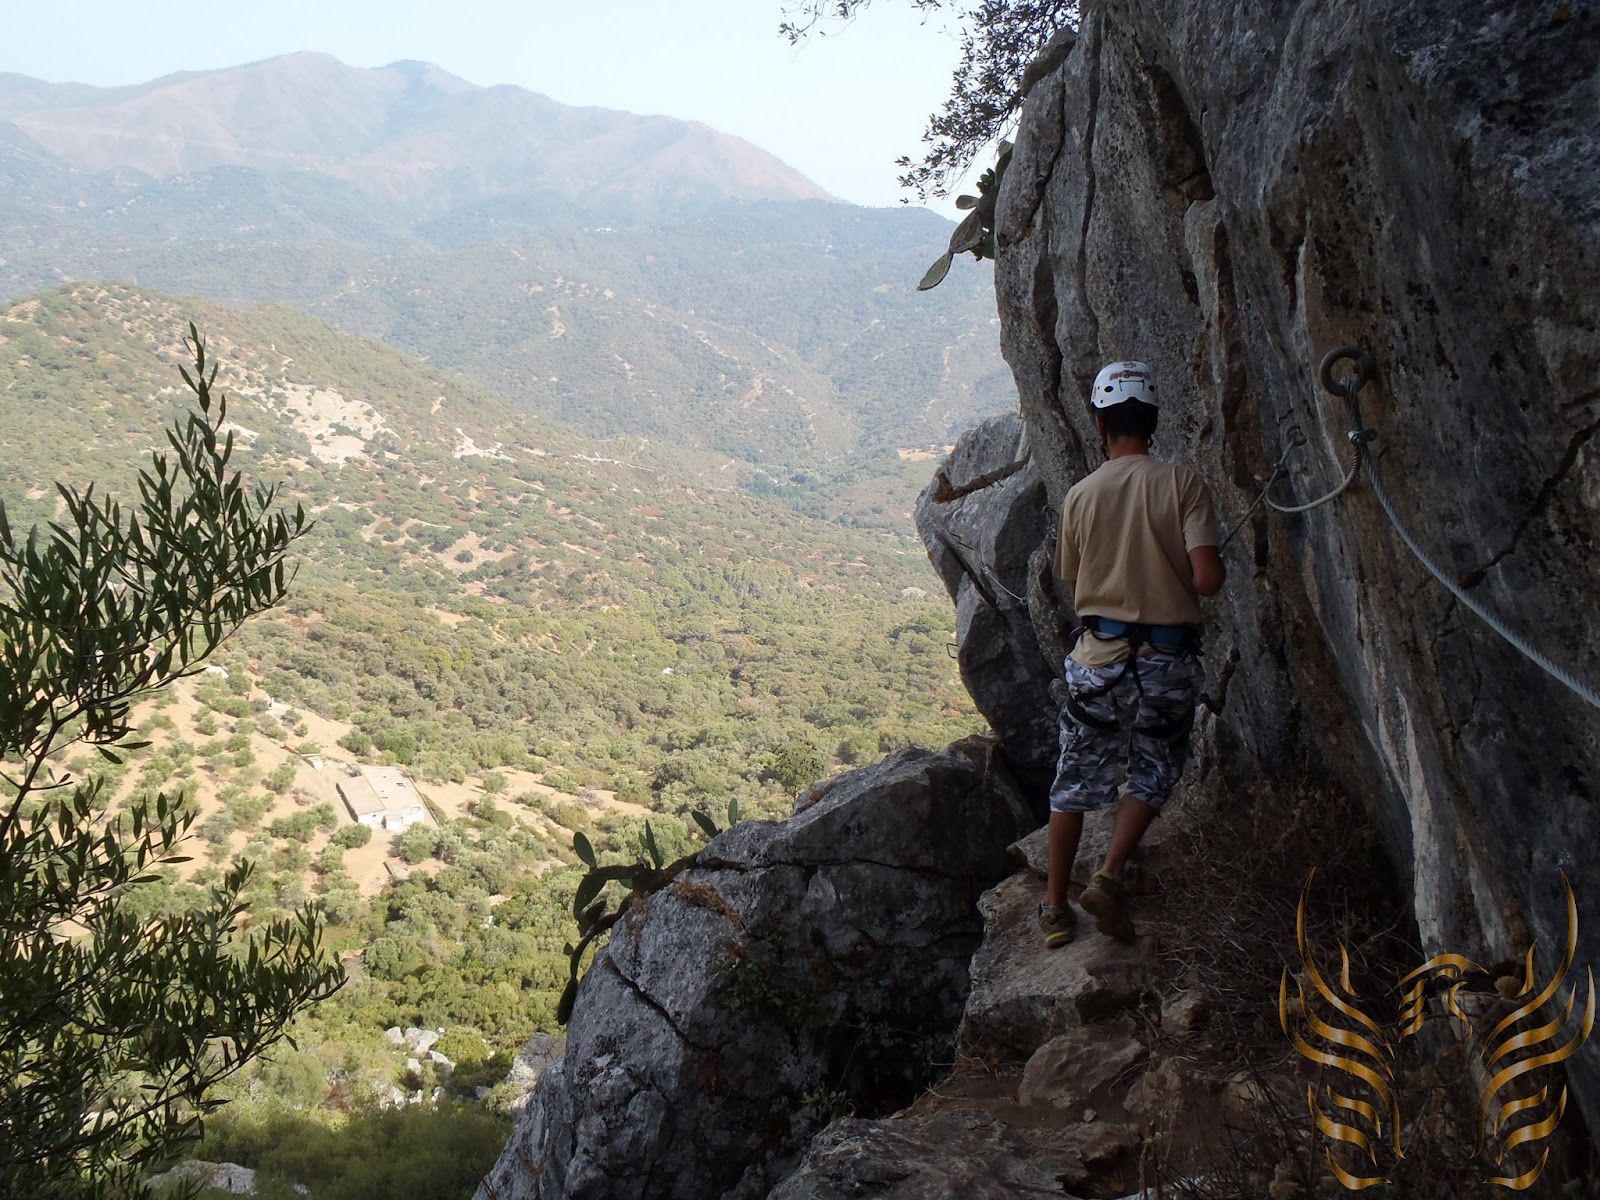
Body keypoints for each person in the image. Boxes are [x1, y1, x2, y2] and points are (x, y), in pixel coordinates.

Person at [1037, 360, 1225, 946]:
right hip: (1166, 661)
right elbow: (1208, 580)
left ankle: (1052, 909)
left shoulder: (1080, 496)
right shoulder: (1183, 484)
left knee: (1073, 780)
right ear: (1154, 422)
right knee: (1155, 767)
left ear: (1099, 424)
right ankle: (1110, 873)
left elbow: (1076, 586)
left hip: (1100, 659)